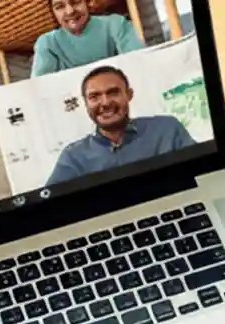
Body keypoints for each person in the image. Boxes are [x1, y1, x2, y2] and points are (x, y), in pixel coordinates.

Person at [45, 66, 196, 186]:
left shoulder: (167, 129)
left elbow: (203, 172)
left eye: (113, 93)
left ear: (129, 94)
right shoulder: (73, 157)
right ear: (86, 103)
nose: (105, 103)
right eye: (94, 97)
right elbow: (52, 207)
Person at [31, 0, 144, 77]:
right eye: (60, 7)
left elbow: (138, 64)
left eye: (75, 1)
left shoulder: (116, 24)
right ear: (53, 13)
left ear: (87, 2)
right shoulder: (47, 44)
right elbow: (41, 87)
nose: (70, 11)